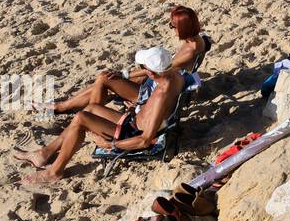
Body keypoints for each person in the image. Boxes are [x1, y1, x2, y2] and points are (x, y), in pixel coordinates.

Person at [15, 46, 184, 186]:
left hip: (131, 132)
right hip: (134, 121)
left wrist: (112, 144)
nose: (141, 70)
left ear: (152, 73)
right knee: (91, 108)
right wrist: (140, 107)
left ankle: (54, 172)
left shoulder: (162, 93)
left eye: (143, 68)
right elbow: (156, 110)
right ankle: (44, 153)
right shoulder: (174, 75)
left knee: (81, 118)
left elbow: (145, 140)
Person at [44, 6, 209, 116]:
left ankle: (84, 112)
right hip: (160, 82)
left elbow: (157, 71)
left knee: (105, 78)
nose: (171, 28)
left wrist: (125, 74)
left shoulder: (190, 50)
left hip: (155, 91)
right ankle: (65, 105)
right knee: (109, 78)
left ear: (183, 27)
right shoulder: (195, 41)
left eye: (172, 25)